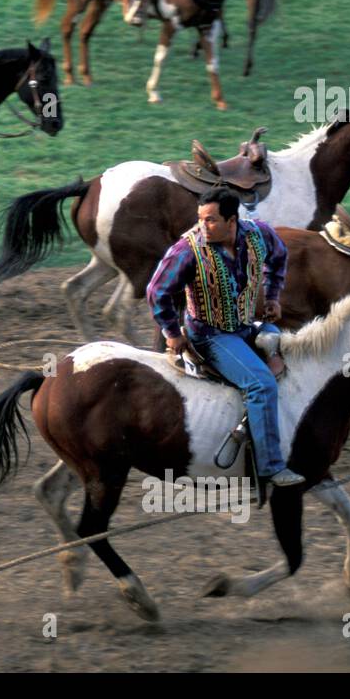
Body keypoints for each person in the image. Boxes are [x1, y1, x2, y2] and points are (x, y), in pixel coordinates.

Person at [146, 186, 304, 487]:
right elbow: (156, 291)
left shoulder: (260, 235)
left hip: (248, 325)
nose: (202, 226)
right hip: (210, 335)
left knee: (295, 355)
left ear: (232, 221)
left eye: (210, 220)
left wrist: (272, 296)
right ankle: (270, 466)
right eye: (201, 219)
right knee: (260, 383)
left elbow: (279, 257)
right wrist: (171, 332)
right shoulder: (188, 250)